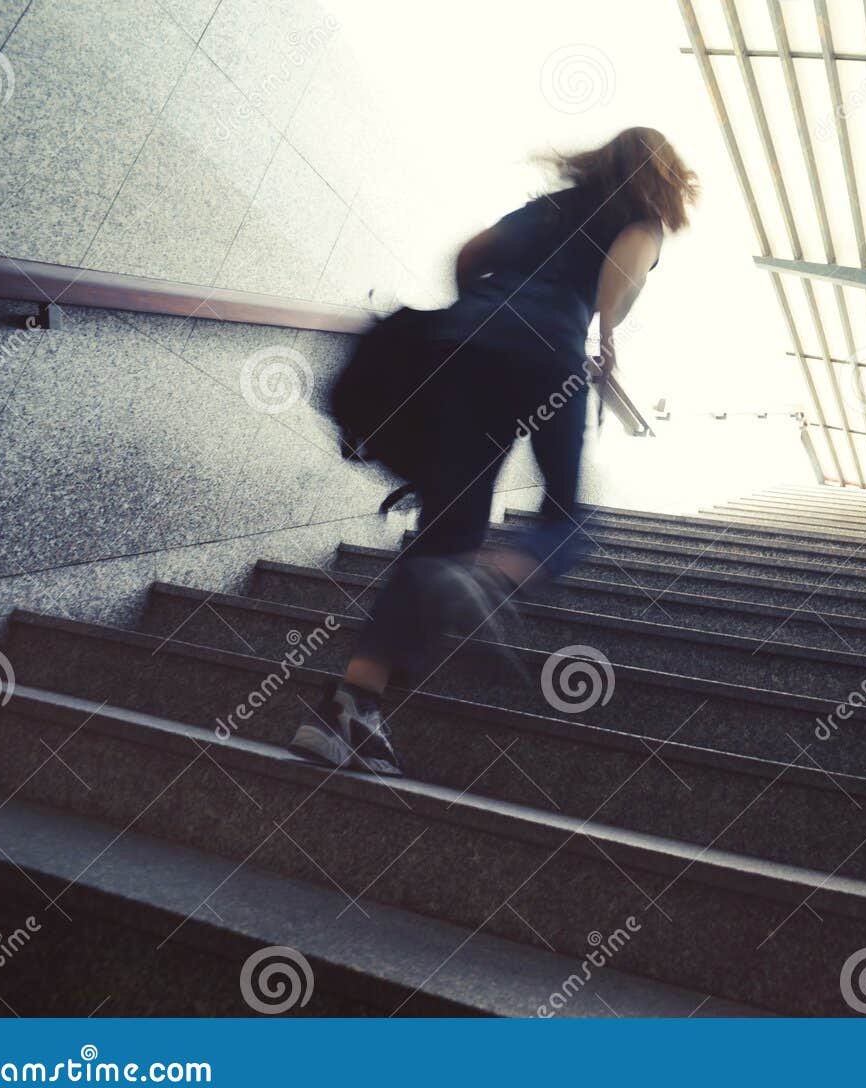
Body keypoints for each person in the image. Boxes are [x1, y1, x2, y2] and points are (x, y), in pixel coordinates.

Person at [291, 126, 699, 776]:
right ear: (664, 179)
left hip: (462, 353)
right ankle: (486, 576)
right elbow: (609, 290)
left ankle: (349, 709)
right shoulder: (644, 220)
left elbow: (470, 252)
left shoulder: (555, 206)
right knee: (567, 519)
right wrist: (607, 330)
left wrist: (478, 312)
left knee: (444, 531)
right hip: (545, 362)